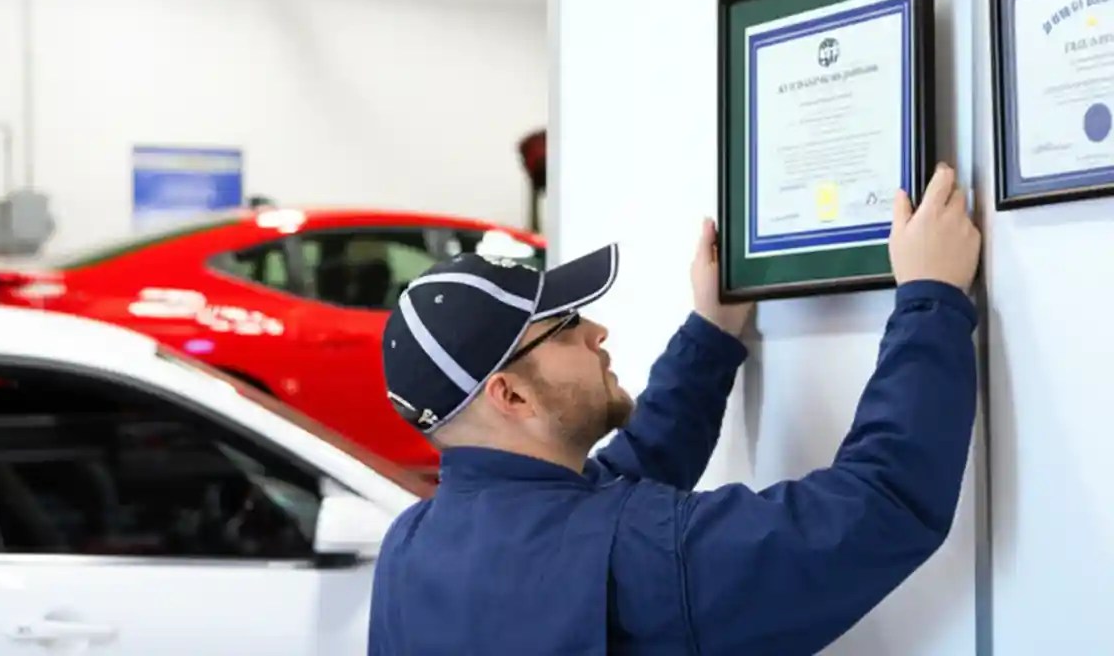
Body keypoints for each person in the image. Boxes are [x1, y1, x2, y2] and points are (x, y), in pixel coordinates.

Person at [369, 163, 982, 655]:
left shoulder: (410, 552)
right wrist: (931, 296)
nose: (597, 332)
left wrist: (710, 335)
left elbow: (622, 481)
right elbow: (882, 508)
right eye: (565, 328)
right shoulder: (642, 557)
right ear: (511, 395)